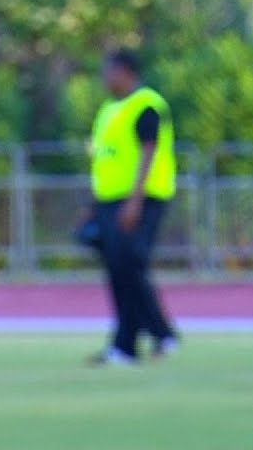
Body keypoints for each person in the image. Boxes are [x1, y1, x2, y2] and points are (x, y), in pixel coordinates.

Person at [83, 49, 180, 366]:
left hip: (139, 199)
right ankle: (142, 339)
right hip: (110, 201)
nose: (105, 78)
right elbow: (105, 159)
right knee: (120, 269)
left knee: (129, 266)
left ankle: (144, 338)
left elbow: (149, 151)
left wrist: (135, 201)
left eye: (109, 71)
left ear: (126, 72)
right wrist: (93, 206)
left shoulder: (145, 104)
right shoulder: (110, 109)